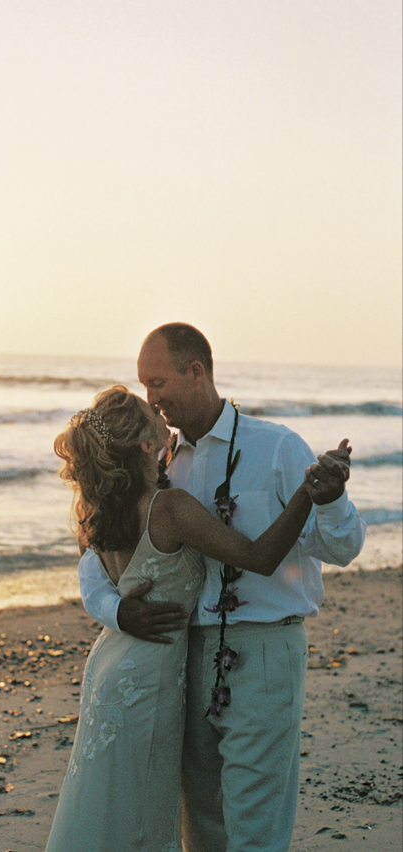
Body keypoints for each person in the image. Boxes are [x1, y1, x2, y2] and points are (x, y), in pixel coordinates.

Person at [78, 324, 366, 852]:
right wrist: (118, 613)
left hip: (263, 650)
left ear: (197, 371)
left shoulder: (275, 447)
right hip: (182, 656)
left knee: (255, 823)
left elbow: (344, 549)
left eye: (159, 382)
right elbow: (97, 557)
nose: (152, 398)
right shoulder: (157, 465)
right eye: (144, 386)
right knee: (202, 825)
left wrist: (327, 498)